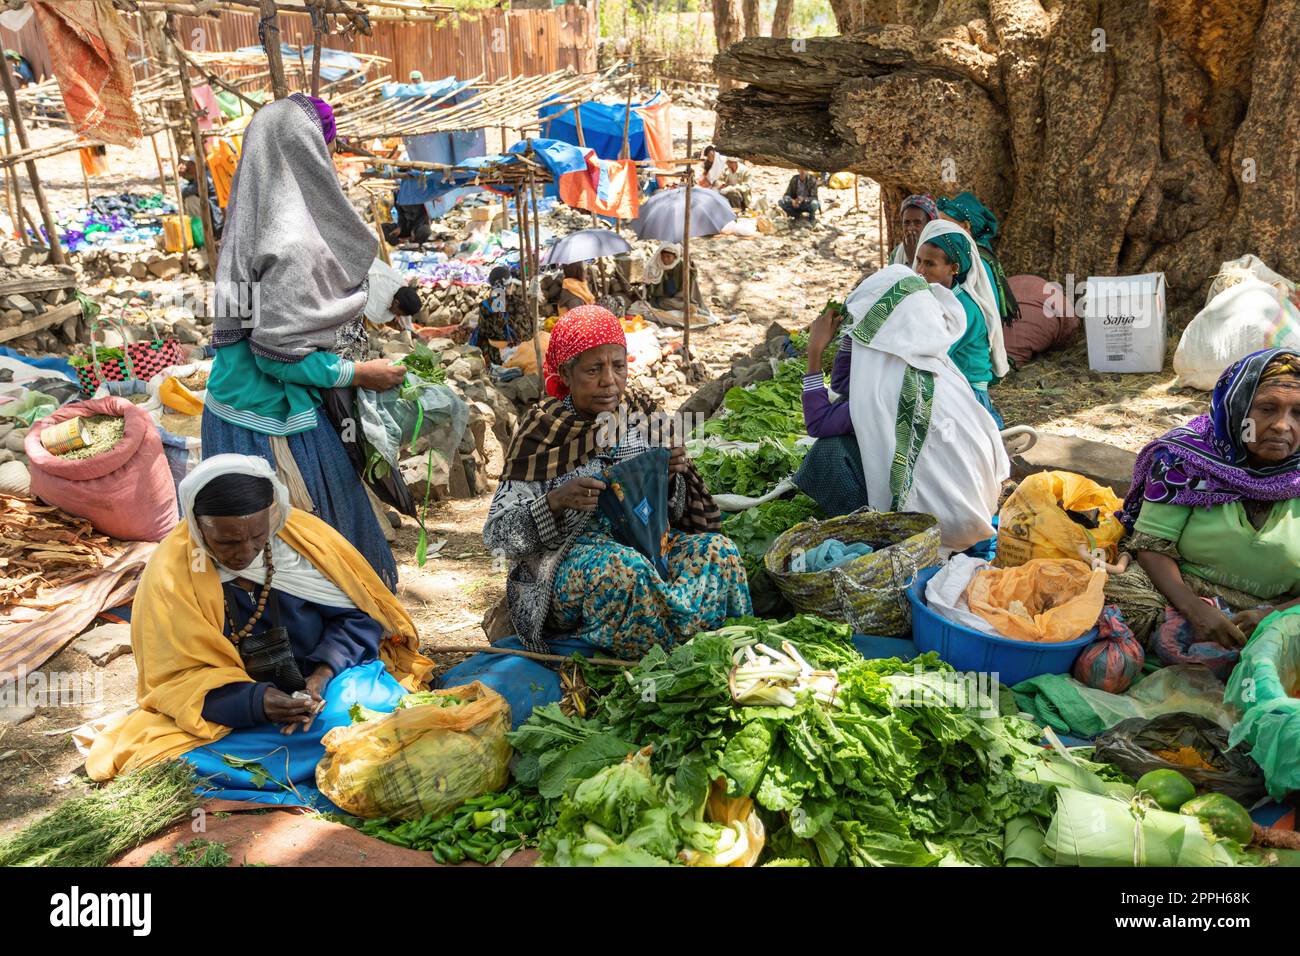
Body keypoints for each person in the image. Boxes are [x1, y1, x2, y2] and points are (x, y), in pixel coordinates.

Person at [84, 455, 434, 797]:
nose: (245, 552)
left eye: (257, 536)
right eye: (227, 542)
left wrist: (322, 675)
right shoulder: (171, 572)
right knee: (176, 754)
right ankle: (318, 756)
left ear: (274, 516)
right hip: (237, 710)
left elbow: (358, 618)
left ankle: (303, 755)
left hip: (328, 689)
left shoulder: (304, 544)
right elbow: (175, 680)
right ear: (196, 525)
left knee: (373, 707)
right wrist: (257, 702)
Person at [204, 93, 405, 591]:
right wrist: (361, 372)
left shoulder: (243, 229)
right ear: (309, 154)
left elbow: (244, 332)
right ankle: (335, 644)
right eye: (325, 151)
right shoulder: (290, 245)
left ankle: (277, 644)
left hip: (225, 414)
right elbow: (281, 358)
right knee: (315, 551)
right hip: (274, 427)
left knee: (249, 565)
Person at [483, 305, 751, 658]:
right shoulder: (542, 433)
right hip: (566, 563)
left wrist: (671, 477)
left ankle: (705, 649)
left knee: (719, 552)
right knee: (625, 572)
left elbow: (676, 511)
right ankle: (659, 660)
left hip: (649, 548)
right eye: (593, 369)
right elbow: (497, 537)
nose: (609, 380)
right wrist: (554, 502)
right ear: (566, 372)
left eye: (618, 366)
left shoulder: (642, 417)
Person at [1107, 348, 1300, 647]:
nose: (1282, 425)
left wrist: (1271, 616)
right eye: (1266, 409)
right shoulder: (1185, 459)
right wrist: (1195, 610)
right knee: (1126, 602)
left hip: (1278, 607)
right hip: (1186, 590)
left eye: (1298, 413)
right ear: (1237, 410)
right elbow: (1150, 548)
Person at [842, 265, 1009, 552]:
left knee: (830, 451)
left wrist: (816, 355)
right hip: (980, 504)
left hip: (942, 527)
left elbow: (822, 419)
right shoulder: (942, 367)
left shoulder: (887, 385)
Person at [913, 227, 1003, 426]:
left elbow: (933, 354)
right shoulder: (934, 297)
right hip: (948, 386)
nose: (920, 270)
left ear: (953, 268)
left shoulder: (963, 309)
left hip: (968, 395)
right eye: (919, 260)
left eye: (929, 264)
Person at [937, 192, 1019, 327]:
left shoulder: (976, 261)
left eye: (945, 224)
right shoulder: (967, 255)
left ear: (966, 226)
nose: (939, 230)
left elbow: (973, 312)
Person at [638, 241, 710, 326]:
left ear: (675, 257)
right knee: (667, 303)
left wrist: (690, 264)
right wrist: (648, 284)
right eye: (663, 256)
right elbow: (650, 290)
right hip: (663, 298)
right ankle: (690, 308)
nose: (665, 259)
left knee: (691, 288)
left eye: (668, 257)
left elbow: (692, 276)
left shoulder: (681, 265)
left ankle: (693, 308)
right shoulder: (655, 267)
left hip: (679, 295)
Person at [363, 256, 422, 331]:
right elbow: (377, 317)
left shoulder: (402, 286)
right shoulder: (379, 305)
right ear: (396, 302)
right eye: (398, 313)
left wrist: (409, 328)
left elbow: (406, 314)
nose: (397, 316)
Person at [178, 155, 224, 239]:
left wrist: (181, 178)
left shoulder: (203, 177)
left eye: (190, 164)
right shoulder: (204, 173)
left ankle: (200, 231)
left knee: (190, 199)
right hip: (214, 209)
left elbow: (185, 192)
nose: (187, 166)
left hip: (214, 211)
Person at [890, 194, 937, 265]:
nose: (910, 228)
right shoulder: (897, 253)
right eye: (906, 222)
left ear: (929, 224)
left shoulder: (939, 252)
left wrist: (912, 259)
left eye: (917, 222)